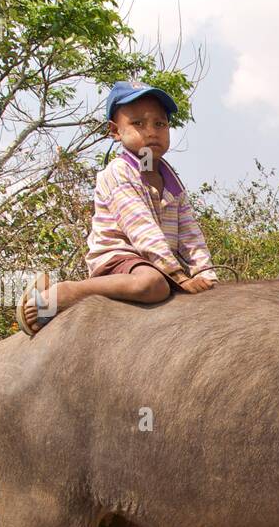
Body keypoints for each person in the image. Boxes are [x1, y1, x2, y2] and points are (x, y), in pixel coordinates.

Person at [18, 80, 217, 335]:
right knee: (153, 284)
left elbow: (191, 235)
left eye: (160, 124)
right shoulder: (119, 173)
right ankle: (69, 291)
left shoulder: (172, 180)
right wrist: (179, 276)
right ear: (114, 131)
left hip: (156, 262)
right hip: (120, 257)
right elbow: (142, 229)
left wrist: (206, 275)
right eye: (138, 123)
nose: (151, 132)